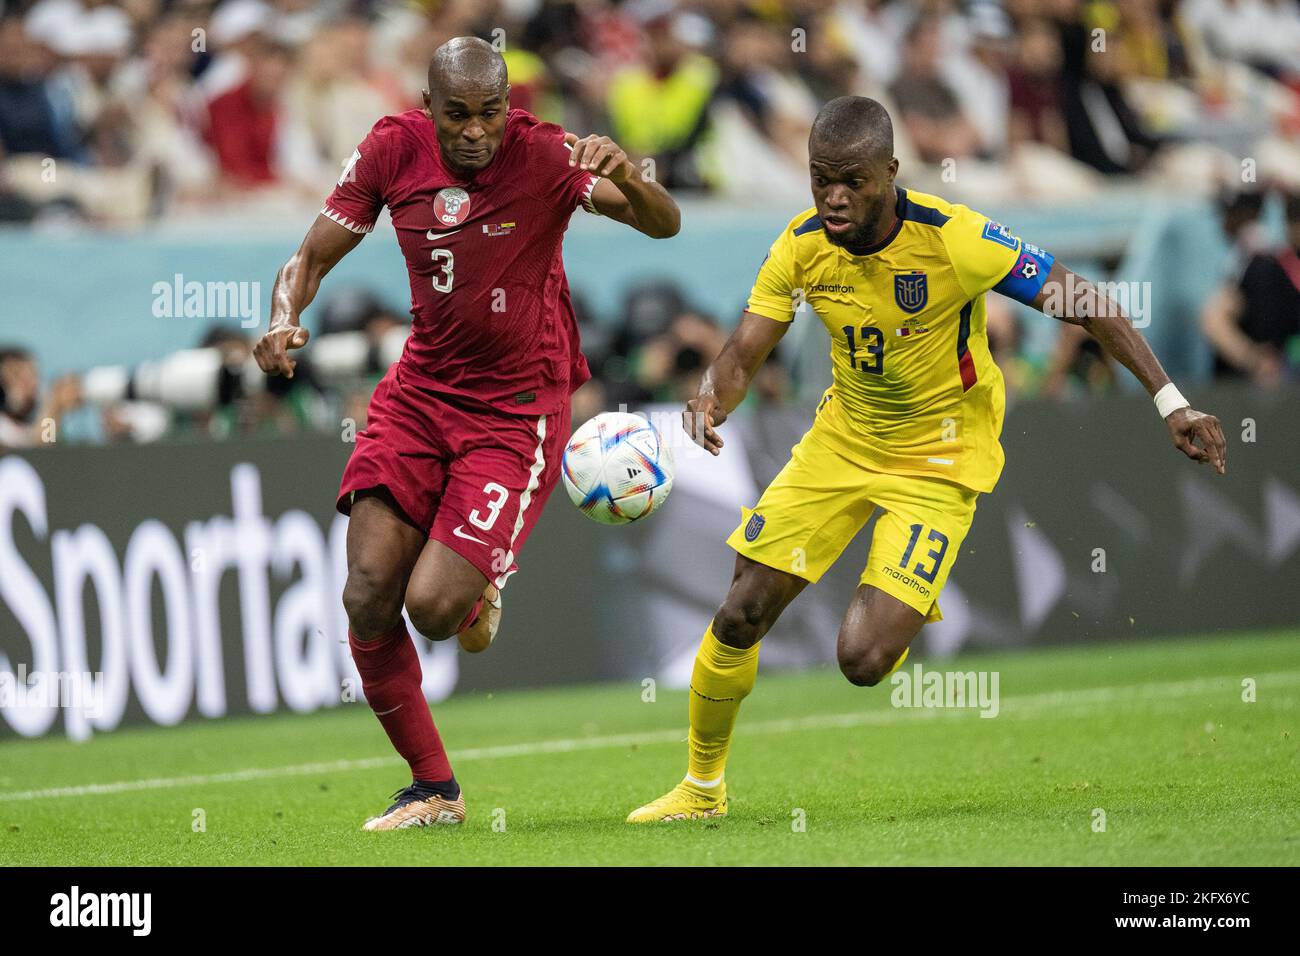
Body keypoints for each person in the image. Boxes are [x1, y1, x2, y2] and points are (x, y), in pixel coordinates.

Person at [627, 96, 1226, 823]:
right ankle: (702, 789)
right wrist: (710, 399)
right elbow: (746, 346)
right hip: (842, 441)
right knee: (741, 610)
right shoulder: (802, 243)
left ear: (891, 172)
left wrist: (1172, 402)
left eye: (851, 180)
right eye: (820, 179)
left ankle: (904, 604)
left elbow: (1087, 300)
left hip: (941, 457)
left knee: (862, 661)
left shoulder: (955, 238)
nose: (834, 197)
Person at [254, 37, 679, 830]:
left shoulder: (550, 153)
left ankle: (480, 576)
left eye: (490, 113)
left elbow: (664, 224)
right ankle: (434, 789)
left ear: (508, 106)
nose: (477, 131)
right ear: (429, 107)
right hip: (418, 397)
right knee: (367, 593)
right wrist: (284, 319)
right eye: (459, 115)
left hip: (516, 413)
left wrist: (630, 174)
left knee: (436, 611)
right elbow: (311, 254)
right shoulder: (392, 149)